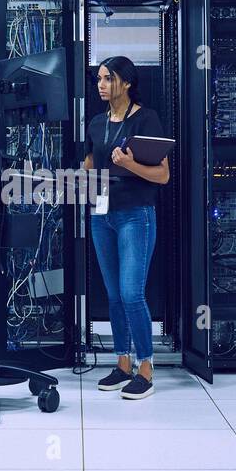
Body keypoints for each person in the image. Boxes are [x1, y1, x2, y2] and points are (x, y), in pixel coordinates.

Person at [82, 56, 170, 399]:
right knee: (115, 294)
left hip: (136, 214)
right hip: (101, 214)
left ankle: (145, 368)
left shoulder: (147, 119)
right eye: (99, 79)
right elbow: (91, 161)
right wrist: (81, 171)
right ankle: (122, 364)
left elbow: (162, 175)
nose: (101, 85)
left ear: (127, 83)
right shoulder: (95, 123)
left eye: (108, 79)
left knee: (132, 292)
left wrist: (130, 164)